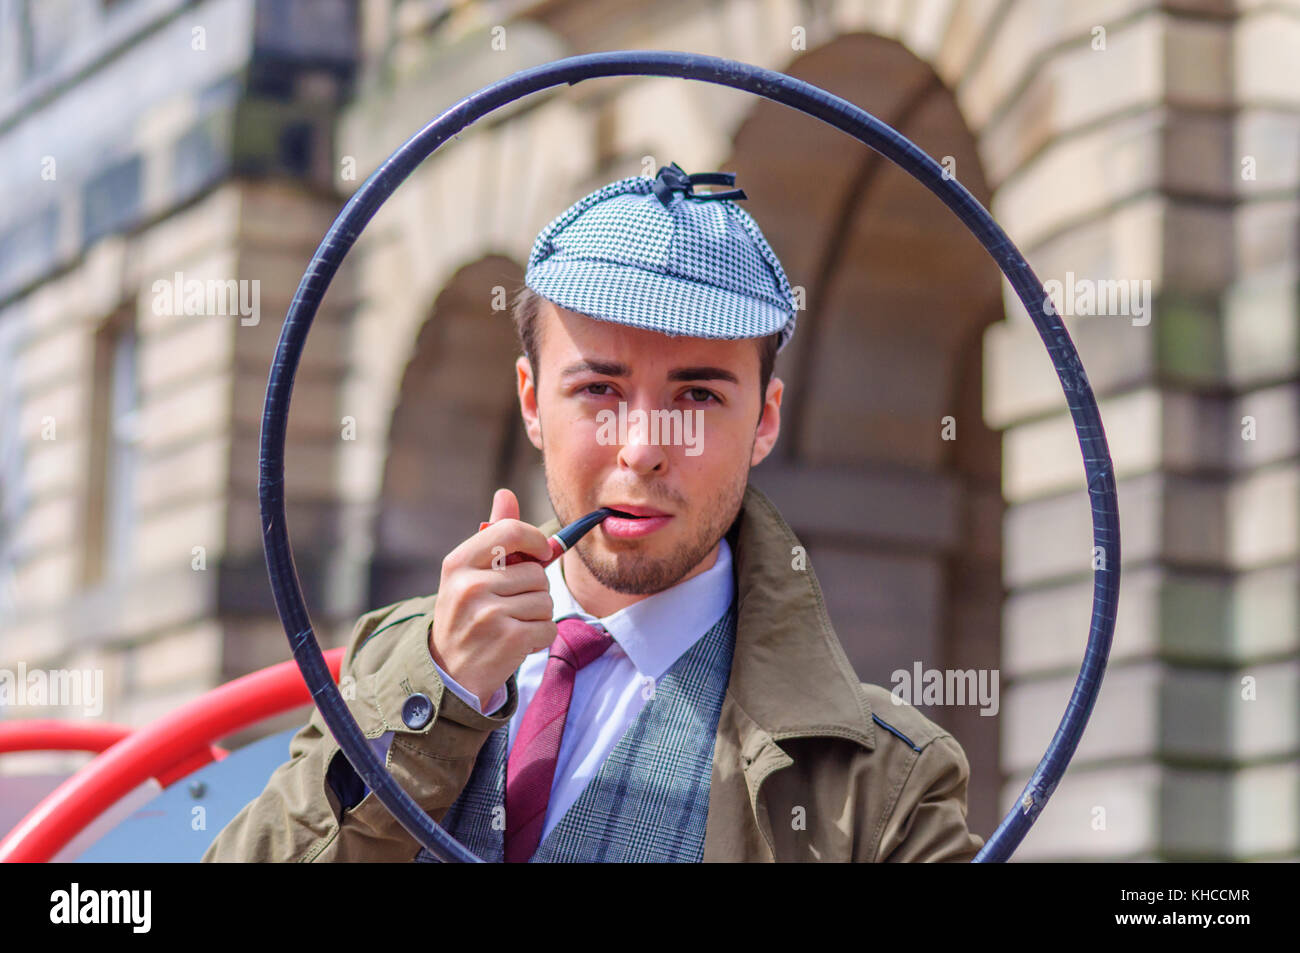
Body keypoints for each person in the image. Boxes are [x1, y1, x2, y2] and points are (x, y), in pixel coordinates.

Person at [202, 161, 985, 863]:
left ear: (766, 420)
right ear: (532, 401)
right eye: (599, 390)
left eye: (699, 396)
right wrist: (434, 696)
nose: (643, 447)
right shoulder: (395, 664)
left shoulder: (879, 785)